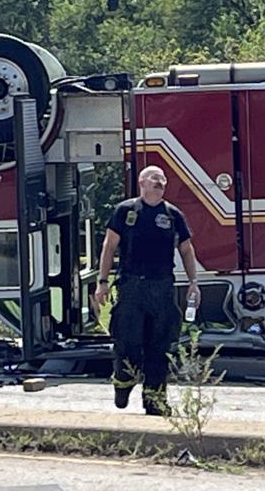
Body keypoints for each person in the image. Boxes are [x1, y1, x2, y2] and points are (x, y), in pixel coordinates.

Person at [93, 165, 201, 416]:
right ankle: (123, 382)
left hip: (162, 288)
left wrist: (193, 282)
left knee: (159, 348)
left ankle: (155, 401)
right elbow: (109, 246)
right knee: (128, 343)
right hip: (132, 286)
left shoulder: (173, 215)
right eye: (155, 178)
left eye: (163, 178)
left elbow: (186, 250)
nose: (160, 181)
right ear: (142, 182)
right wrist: (102, 281)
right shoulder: (125, 211)